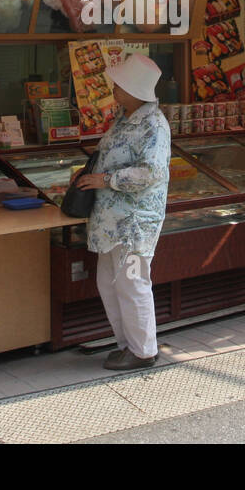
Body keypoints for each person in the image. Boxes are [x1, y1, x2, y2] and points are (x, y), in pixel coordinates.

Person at [72, 53, 171, 370]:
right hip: (111, 221)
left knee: (131, 284)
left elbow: (150, 172)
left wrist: (106, 179)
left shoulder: (153, 125)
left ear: (131, 88)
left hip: (133, 222)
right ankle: (128, 344)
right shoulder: (124, 118)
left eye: (118, 84)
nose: (113, 87)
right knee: (110, 284)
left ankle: (143, 351)